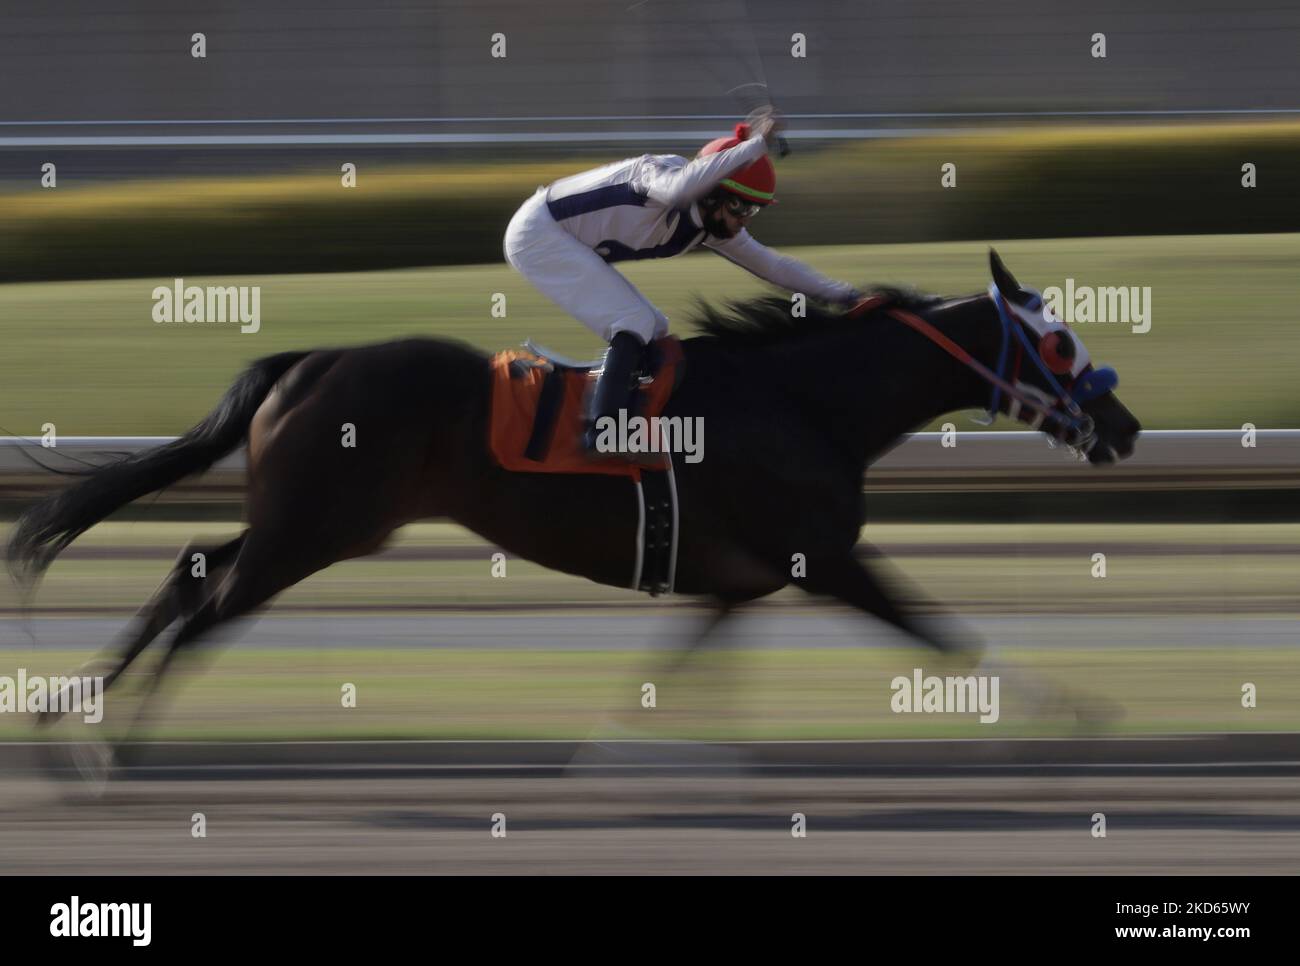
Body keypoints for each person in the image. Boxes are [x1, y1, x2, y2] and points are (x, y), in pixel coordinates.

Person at [502, 109, 861, 452]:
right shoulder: (657, 175)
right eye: (741, 207)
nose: (745, 220)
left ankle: (624, 415)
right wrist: (755, 145)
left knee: (656, 327)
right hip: (537, 234)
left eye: (754, 210)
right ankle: (601, 434)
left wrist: (846, 295)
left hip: (558, 238)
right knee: (633, 322)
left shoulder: (711, 225)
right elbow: (679, 190)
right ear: (713, 194)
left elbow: (774, 266)